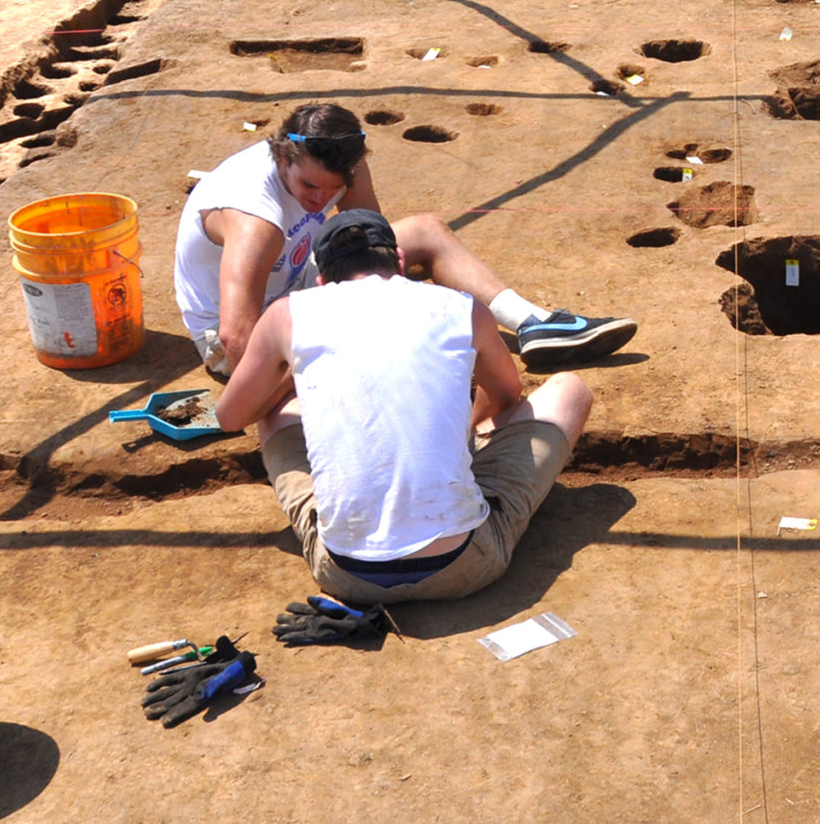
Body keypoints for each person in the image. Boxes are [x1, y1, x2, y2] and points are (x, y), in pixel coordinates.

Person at [215, 210, 591, 606]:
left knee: (274, 407)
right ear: (399, 261)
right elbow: (506, 394)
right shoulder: (462, 307)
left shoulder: (286, 314)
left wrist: (295, 369)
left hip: (346, 575)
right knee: (570, 391)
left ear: (322, 281)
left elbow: (230, 416)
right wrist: (469, 433)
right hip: (465, 565)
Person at [174, 102, 637, 378]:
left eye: (332, 188)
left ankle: (533, 323)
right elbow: (237, 335)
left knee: (425, 231)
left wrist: (386, 304)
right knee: (393, 362)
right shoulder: (255, 219)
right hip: (239, 331)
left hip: (297, 283)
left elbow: (371, 245)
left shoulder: (343, 166)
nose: (319, 199)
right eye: (308, 186)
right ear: (282, 157)